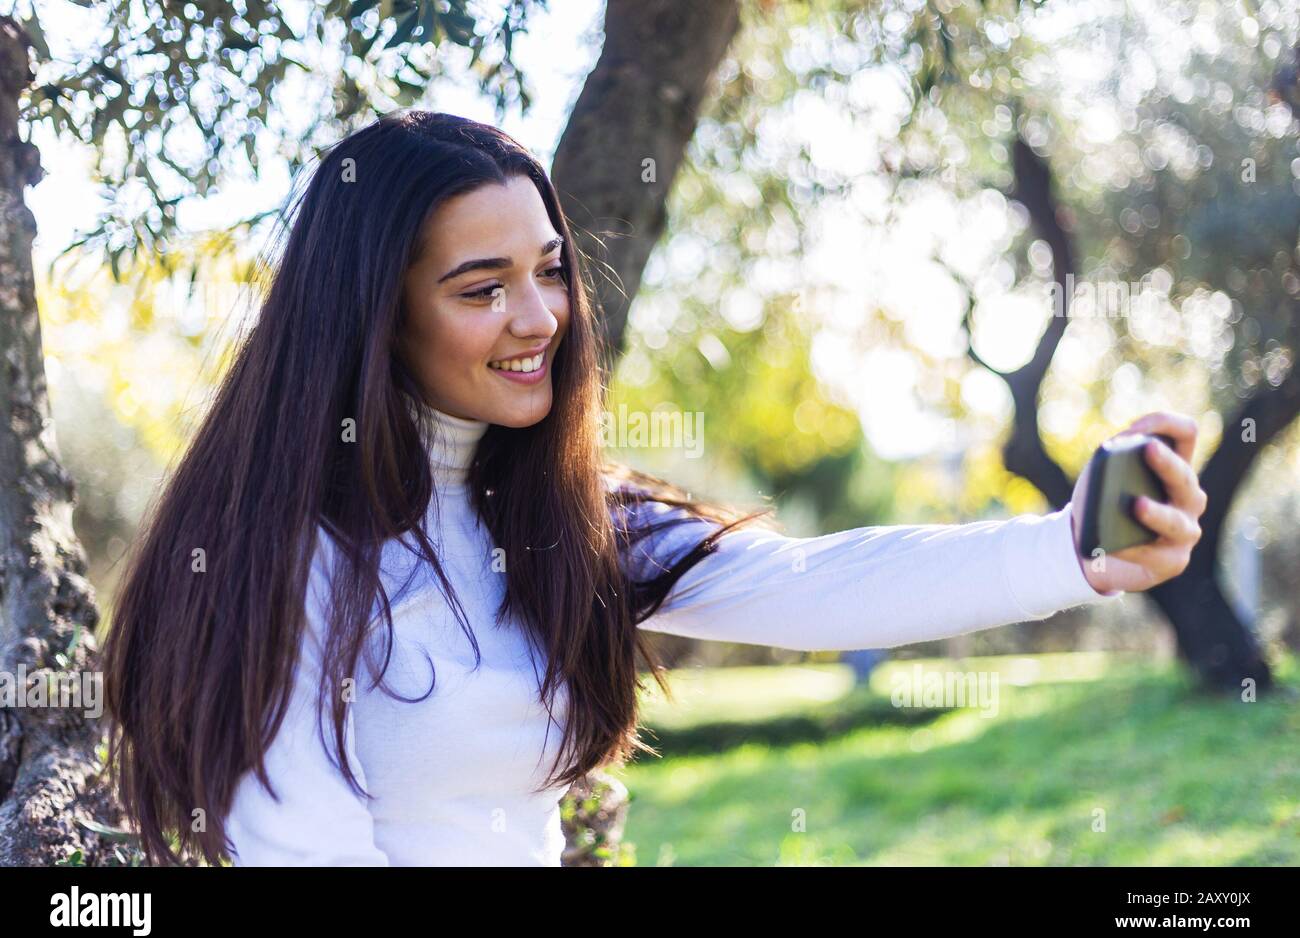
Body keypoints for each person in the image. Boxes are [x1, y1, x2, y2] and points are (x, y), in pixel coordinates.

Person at [102, 110, 1207, 867]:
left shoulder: (558, 515)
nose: (538, 318)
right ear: (373, 316)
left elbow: (810, 584)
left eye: (548, 270)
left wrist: (1071, 549)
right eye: (481, 288)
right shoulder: (277, 559)